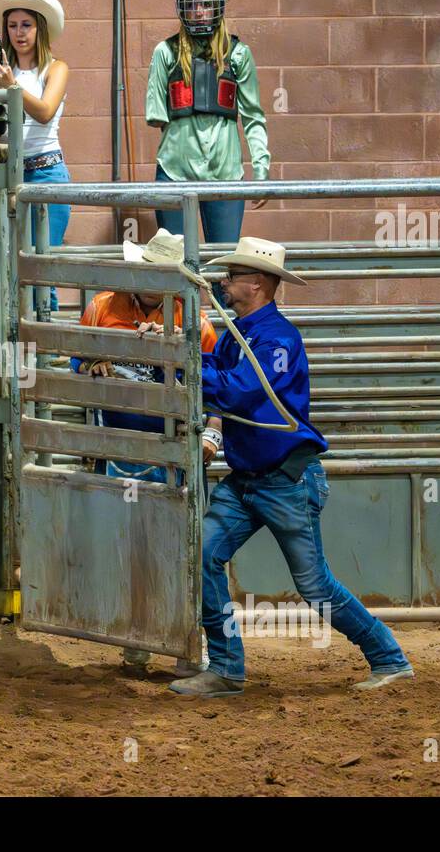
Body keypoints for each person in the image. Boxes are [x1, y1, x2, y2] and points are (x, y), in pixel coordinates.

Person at [168, 237, 414, 698]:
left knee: (314, 584)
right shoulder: (239, 336)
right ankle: (225, 668)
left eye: (233, 275)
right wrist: (177, 358)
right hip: (251, 479)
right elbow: (220, 379)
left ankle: (389, 658)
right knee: (203, 556)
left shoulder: (278, 339)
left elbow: (240, 391)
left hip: (285, 480)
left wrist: (182, 364)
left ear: (256, 283)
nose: (224, 282)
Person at [72, 231, 221, 677]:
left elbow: (216, 387)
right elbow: (75, 362)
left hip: (172, 450)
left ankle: (188, 640)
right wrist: (91, 365)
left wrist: (211, 436)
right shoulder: (101, 308)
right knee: (130, 547)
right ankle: (137, 637)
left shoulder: (197, 320)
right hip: (120, 448)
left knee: (182, 547)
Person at [0, 0, 69, 313]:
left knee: (40, 264)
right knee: (7, 260)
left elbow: (45, 111)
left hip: (47, 172)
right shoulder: (0, 73)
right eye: (12, 25)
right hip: (10, 173)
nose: (19, 33)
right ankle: (15, 344)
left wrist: (9, 83)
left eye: (26, 25)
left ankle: (45, 346)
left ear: (40, 28)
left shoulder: (56, 68)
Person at [145, 0, 269, 242]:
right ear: (183, 9)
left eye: (206, 4)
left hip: (225, 172)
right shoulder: (166, 52)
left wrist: (261, 171)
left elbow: (253, 118)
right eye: (192, 4)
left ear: (218, 7)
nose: (199, 11)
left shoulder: (238, 54)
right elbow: (157, 116)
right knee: (176, 264)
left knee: (223, 267)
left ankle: (217, 287)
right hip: (175, 171)